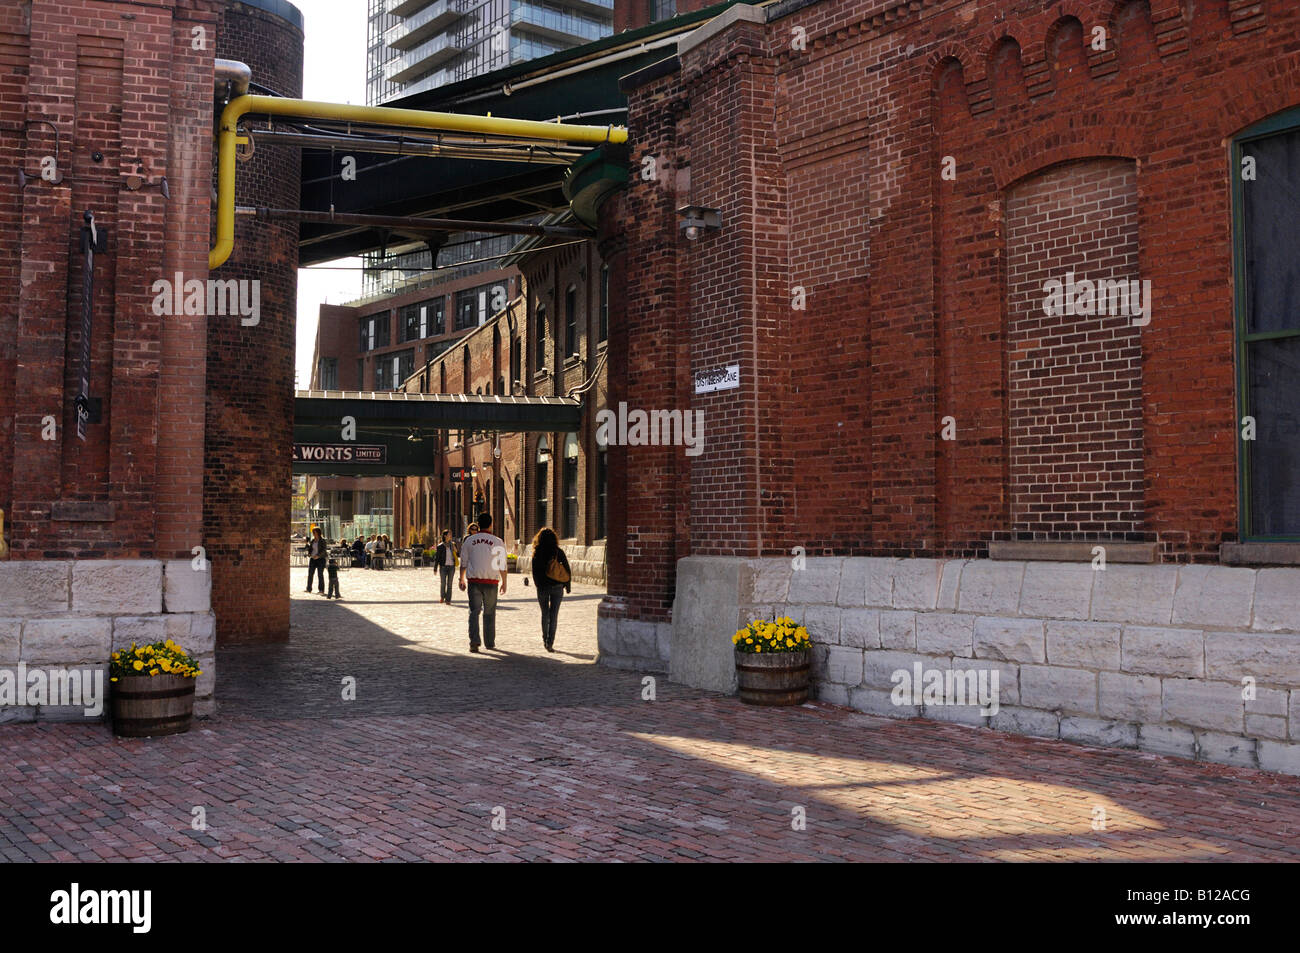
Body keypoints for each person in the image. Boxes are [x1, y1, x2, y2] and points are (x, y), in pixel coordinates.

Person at [458, 512, 506, 653]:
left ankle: (474, 641)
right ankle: (489, 642)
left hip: (474, 581)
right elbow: (502, 564)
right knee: (490, 612)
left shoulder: (470, 541)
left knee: (474, 612)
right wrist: (505, 582)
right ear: (491, 524)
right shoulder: (498, 541)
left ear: (478, 525)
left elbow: (464, 562)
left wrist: (461, 578)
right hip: (491, 580)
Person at [530, 527, 571, 652]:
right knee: (554, 615)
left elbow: (535, 571)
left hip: (542, 587)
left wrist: (538, 584)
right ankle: (550, 642)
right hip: (557, 587)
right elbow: (567, 569)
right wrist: (567, 585)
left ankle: (544, 639)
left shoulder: (537, 552)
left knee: (545, 614)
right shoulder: (558, 552)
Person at [434, 530, 458, 605]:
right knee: (443, 583)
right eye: (449, 534)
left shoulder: (452, 544)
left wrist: (454, 546)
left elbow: (457, 552)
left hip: (451, 567)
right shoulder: (440, 546)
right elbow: (437, 558)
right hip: (443, 567)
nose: (450, 536)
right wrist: (435, 568)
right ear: (445, 536)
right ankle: (442, 597)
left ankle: (448, 600)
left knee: (450, 584)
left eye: (450, 534)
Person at [305, 527, 327, 594]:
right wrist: (309, 553)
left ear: (318, 533)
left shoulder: (322, 540)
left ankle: (321, 590)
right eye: (313, 533)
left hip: (321, 559)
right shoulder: (312, 540)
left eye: (314, 532)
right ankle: (309, 589)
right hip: (313, 559)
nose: (313, 534)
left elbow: (324, 550)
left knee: (320, 574)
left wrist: (318, 555)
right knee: (310, 574)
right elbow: (311, 549)